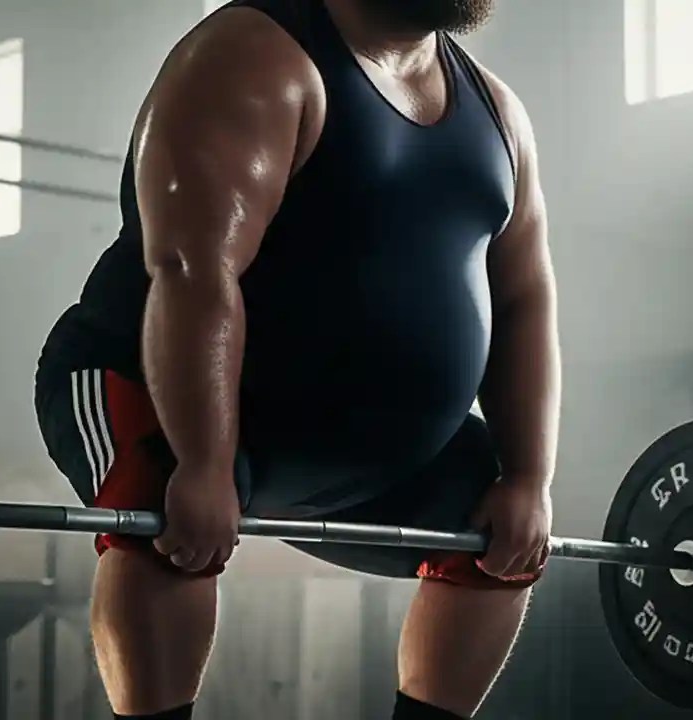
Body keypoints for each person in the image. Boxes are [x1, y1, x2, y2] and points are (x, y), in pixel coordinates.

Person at [34, 0, 559, 717]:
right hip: (159, 389)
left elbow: (525, 299)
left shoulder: (499, 114)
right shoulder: (256, 56)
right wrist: (203, 462)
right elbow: (194, 270)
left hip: (364, 452)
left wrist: (529, 477)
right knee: (164, 521)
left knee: (498, 536)